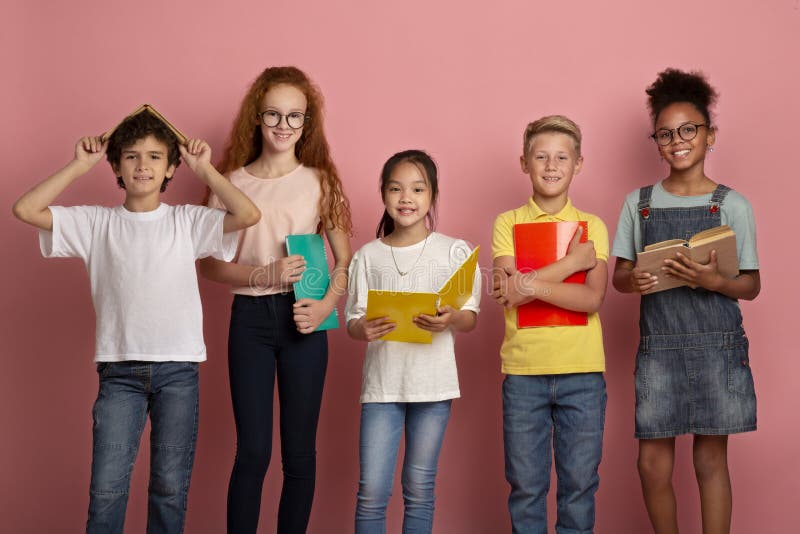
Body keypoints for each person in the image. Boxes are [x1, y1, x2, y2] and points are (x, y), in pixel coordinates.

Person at [12, 110, 260, 533]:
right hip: (119, 373)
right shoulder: (96, 222)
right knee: (107, 489)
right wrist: (79, 164)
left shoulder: (187, 221)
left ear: (170, 167)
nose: (143, 165)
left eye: (154, 157)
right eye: (131, 157)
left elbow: (248, 215)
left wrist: (206, 169)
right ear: (116, 166)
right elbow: (25, 208)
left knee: (168, 487)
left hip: (178, 371)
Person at [197, 66, 352, 534]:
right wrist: (262, 274)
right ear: (257, 118)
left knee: (300, 451)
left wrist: (327, 306)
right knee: (254, 451)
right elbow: (207, 264)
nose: (284, 125)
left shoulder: (322, 181)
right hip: (250, 318)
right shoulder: (231, 182)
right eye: (274, 115)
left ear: (307, 124)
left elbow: (345, 262)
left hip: (306, 319)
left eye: (295, 117)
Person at [611, 68, 759, 534]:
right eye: (665, 133)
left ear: (709, 135)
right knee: (652, 465)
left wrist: (712, 279)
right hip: (660, 349)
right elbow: (619, 276)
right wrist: (634, 282)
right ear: (655, 140)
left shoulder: (732, 204)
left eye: (688, 130)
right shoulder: (639, 204)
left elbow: (751, 284)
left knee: (710, 462)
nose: (677, 140)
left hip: (717, 347)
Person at [345, 149, 480, 534]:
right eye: (396, 188)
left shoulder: (455, 251)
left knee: (419, 488)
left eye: (418, 189)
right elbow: (353, 319)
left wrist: (451, 319)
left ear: (433, 195)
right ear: (383, 194)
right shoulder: (367, 256)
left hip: (433, 387)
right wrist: (363, 330)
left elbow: (469, 317)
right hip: (382, 387)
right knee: (371, 491)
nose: (407, 198)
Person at [492, 115, 608, 533]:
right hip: (524, 374)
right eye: (541, 156)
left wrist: (530, 283)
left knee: (579, 486)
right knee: (526, 488)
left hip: (583, 372)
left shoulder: (592, 226)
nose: (551, 165)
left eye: (562, 157)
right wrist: (572, 264)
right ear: (524, 162)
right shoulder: (508, 223)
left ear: (579, 164)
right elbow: (506, 292)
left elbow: (591, 299)